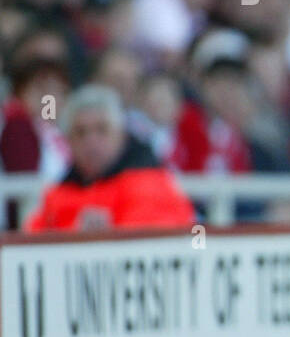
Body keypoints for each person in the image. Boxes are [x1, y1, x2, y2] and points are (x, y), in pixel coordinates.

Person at [23, 84, 196, 232]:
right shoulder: (57, 193)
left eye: (102, 130)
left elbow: (156, 235)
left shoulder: (150, 181)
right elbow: (32, 241)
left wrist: (106, 235)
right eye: (80, 132)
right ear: (68, 141)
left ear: (121, 135)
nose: (91, 140)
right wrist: (74, 234)